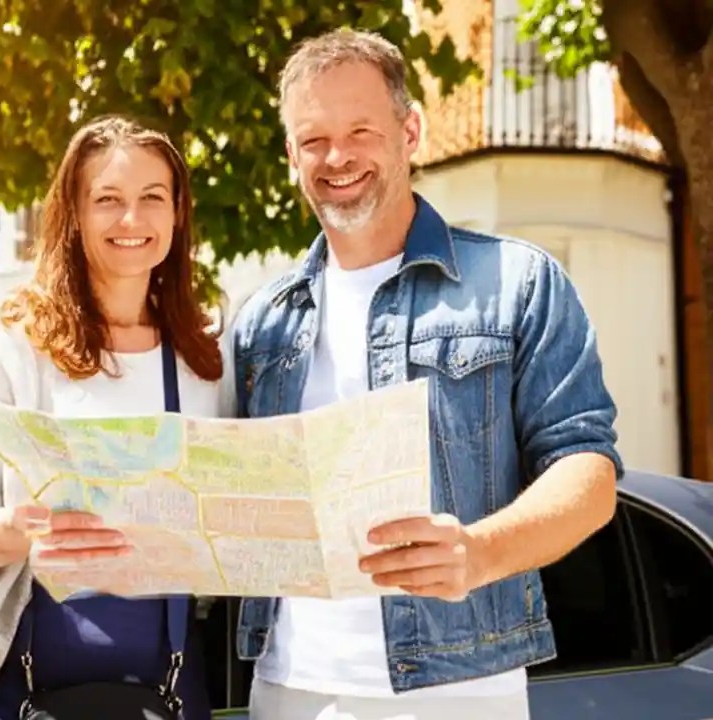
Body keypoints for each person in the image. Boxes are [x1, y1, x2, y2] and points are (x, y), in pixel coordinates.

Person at [226, 29, 624, 720]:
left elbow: (588, 476)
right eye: (313, 139)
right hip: (288, 685)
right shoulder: (264, 321)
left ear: (410, 130)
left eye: (360, 130)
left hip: (458, 689)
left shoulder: (515, 281)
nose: (338, 157)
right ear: (290, 154)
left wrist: (478, 553)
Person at [0, 114, 223, 720]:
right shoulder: (17, 341)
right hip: (19, 690)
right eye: (107, 200)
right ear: (74, 213)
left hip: (165, 691)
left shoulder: (202, 361)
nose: (131, 220)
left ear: (176, 214)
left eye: (152, 199)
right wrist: (8, 532)